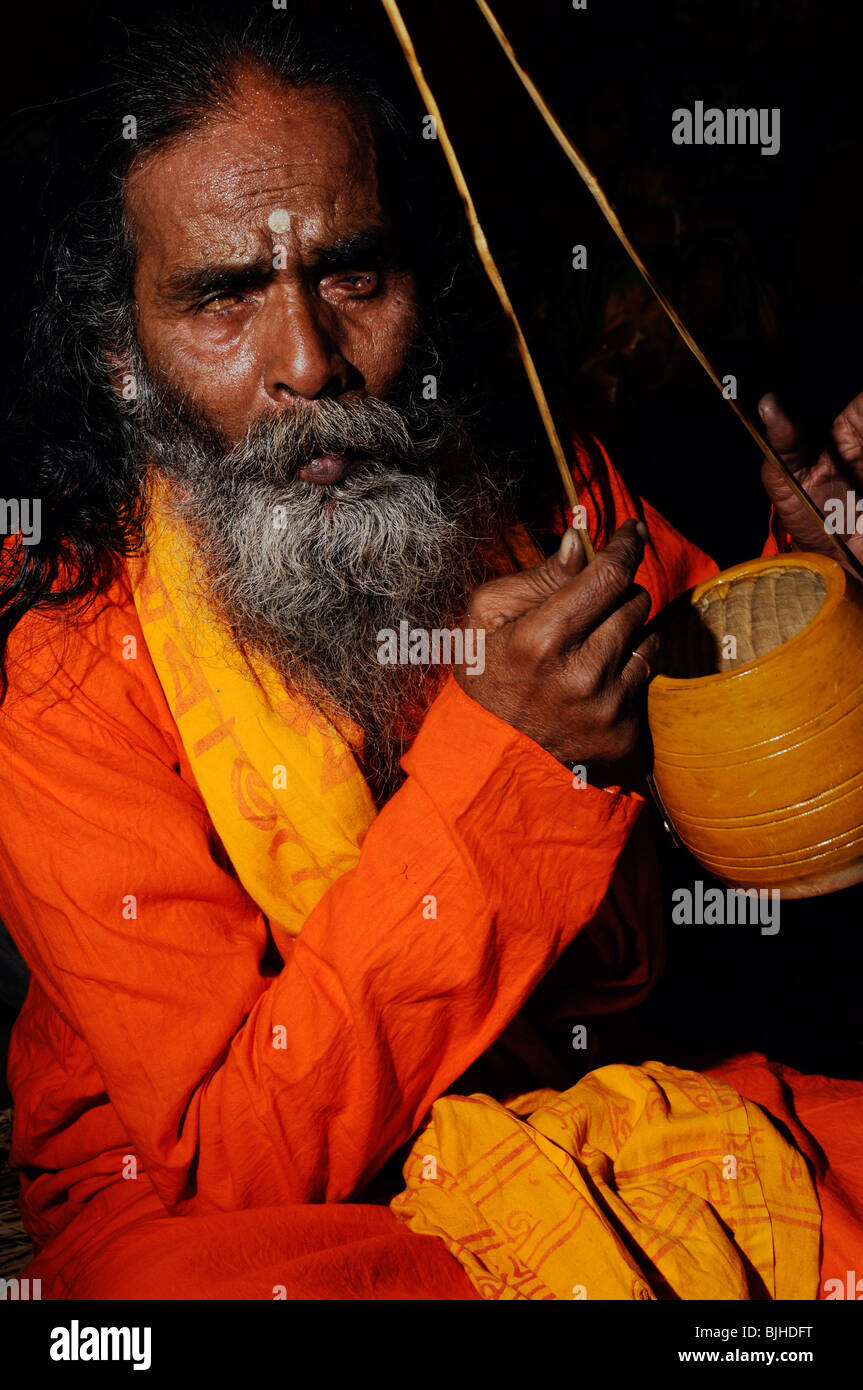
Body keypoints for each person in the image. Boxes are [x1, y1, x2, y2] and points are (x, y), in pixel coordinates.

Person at [1, 13, 861, 1300]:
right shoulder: (64, 662)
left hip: (610, 1096)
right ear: (122, 354)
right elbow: (233, 1154)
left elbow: (770, 814)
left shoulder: (534, 487)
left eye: (353, 276)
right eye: (223, 297)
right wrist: (509, 761)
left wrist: (824, 591)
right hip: (263, 1210)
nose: (308, 363)